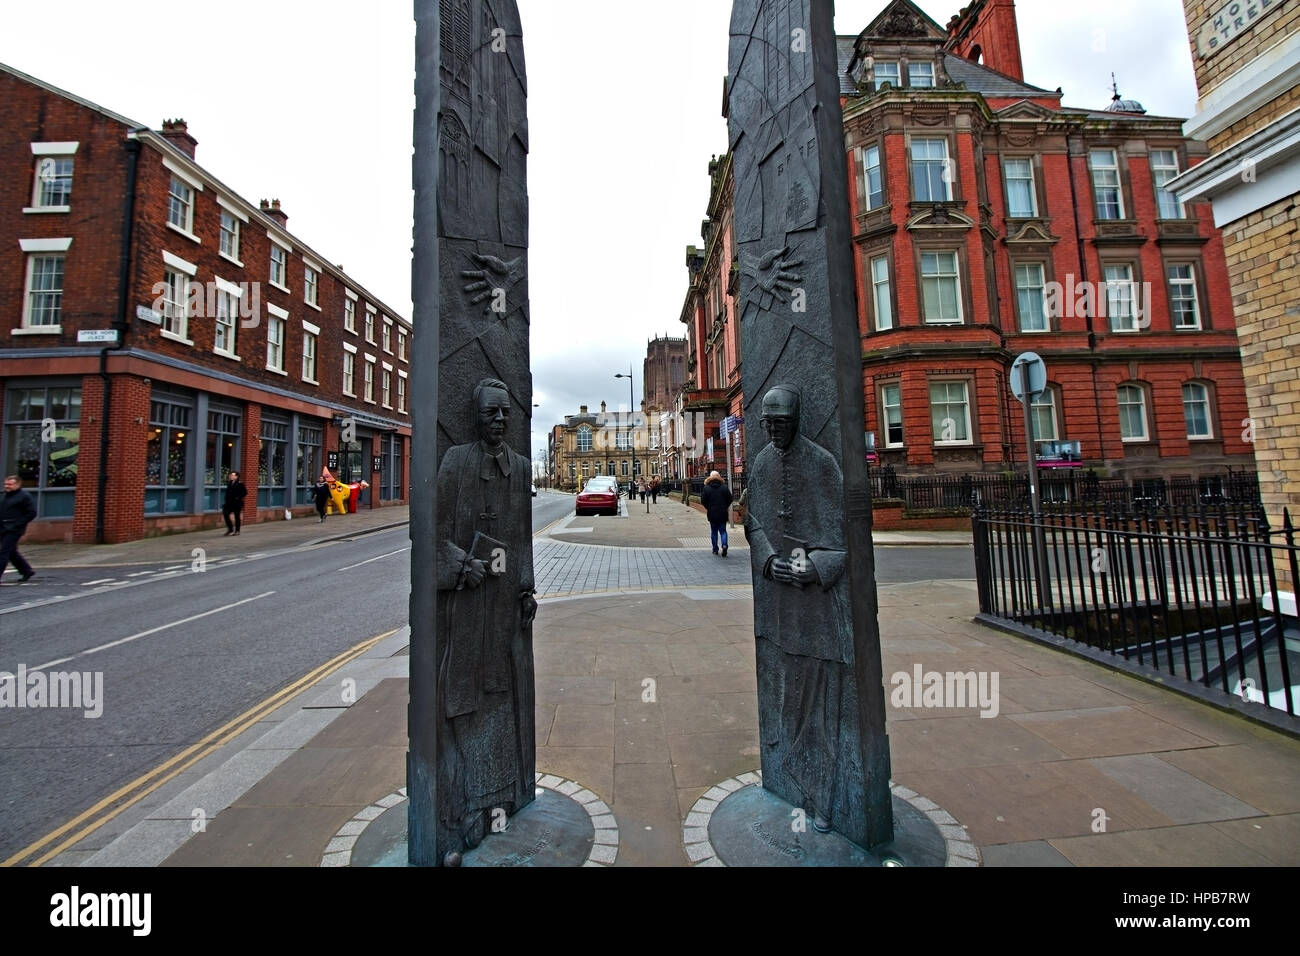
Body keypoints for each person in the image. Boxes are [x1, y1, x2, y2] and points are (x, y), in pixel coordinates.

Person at [745, 385, 867, 843]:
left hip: (816, 615)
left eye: (782, 423)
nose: (774, 431)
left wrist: (812, 568)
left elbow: (842, 541)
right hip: (778, 610)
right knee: (788, 708)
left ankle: (824, 801)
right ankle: (789, 782)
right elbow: (753, 522)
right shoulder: (760, 463)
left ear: (796, 420)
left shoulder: (822, 464)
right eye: (768, 424)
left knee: (820, 712)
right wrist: (766, 559)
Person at [433, 378, 537, 863]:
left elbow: (521, 535)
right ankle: (458, 812)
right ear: (477, 418)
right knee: (461, 697)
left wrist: (527, 588)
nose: (498, 421)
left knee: (497, 696)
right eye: (490, 413)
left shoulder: (518, 467)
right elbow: (429, 531)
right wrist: (456, 565)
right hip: (467, 601)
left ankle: (492, 801)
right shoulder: (455, 462)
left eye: (505, 414)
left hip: (502, 607)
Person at [1, 475, 37, 584]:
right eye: (6, 484)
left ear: (17, 484)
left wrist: (17, 524)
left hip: (14, 529)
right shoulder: (4, 496)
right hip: (3, 528)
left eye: (10, 484)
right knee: (11, 552)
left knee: (4, 552)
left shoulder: (24, 496)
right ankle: (26, 571)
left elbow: (31, 513)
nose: (7, 486)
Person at [700, 470, 733, 556]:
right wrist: (725, 506)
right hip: (722, 512)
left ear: (710, 477)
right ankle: (724, 545)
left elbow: (703, 501)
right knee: (723, 531)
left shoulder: (706, 488)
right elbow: (730, 499)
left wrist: (709, 507)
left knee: (714, 531)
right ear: (719, 477)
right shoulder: (724, 487)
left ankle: (715, 549)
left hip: (712, 513)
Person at [222, 471, 248, 536]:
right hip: (229, 503)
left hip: (237, 503)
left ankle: (237, 531)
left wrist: (238, 498)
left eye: (232, 475)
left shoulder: (240, 483)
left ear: (236, 477)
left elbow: (245, 493)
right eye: (230, 475)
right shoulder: (229, 483)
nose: (231, 476)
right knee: (225, 513)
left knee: (237, 517)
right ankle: (230, 529)